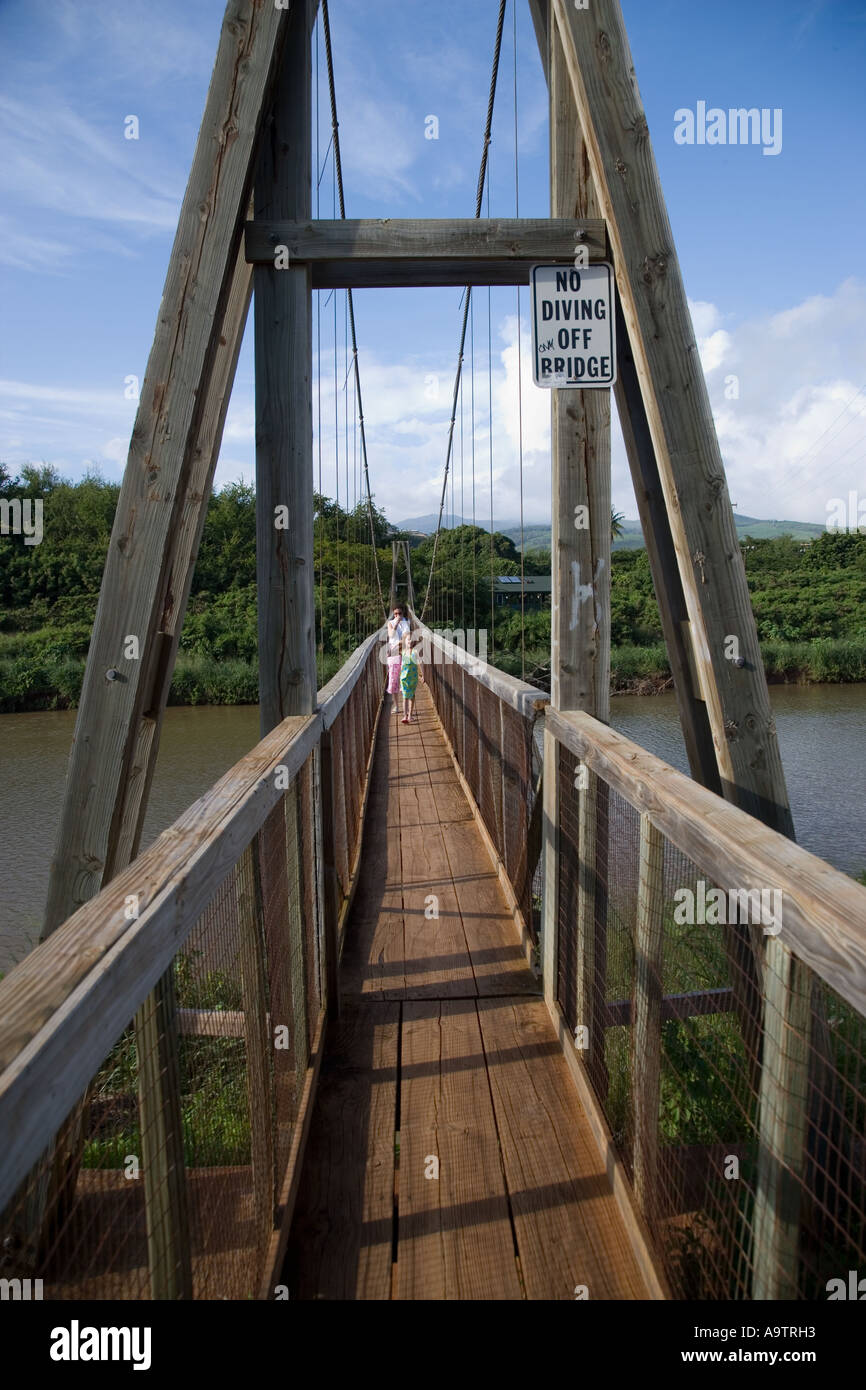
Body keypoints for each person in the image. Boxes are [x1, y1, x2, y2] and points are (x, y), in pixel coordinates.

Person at [385, 604, 409, 712]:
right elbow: (391, 635)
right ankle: (396, 706)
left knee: (405, 679)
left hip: (403, 652)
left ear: (403, 613)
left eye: (399, 613)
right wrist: (396, 624)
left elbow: (407, 637)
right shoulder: (390, 623)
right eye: (395, 614)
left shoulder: (407, 623)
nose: (397, 615)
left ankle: (405, 707)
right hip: (394, 654)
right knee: (393, 680)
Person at [399, 629, 423, 723]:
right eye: (408, 639)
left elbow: (420, 664)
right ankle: (405, 716)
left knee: (411, 696)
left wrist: (423, 676)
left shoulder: (415, 652)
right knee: (405, 696)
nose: (410, 641)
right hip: (404, 678)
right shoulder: (403, 652)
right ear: (405, 641)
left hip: (413, 678)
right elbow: (401, 665)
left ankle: (410, 715)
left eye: (412, 640)